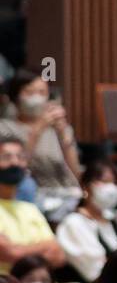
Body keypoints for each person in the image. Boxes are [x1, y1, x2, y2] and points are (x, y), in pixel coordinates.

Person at [55, 159, 117, 283]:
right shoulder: (73, 224)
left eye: (115, 183)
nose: (111, 188)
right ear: (85, 186)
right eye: (104, 181)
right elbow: (94, 272)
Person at [0, 69, 81, 203]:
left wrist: (64, 136)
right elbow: (17, 167)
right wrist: (38, 129)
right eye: (29, 92)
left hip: (62, 195)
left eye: (42, 92)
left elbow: (75, 174)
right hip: (27, 195)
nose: (36, 98)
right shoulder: (5, 128)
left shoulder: (57, 129)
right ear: (16, 96)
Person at [0, 137, 65, 275]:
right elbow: (9, 253)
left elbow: (58, 255)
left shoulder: (31, 209)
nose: (15, 162)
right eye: (6, 157)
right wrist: (44, 247)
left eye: (20, 157)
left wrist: (19, 251)